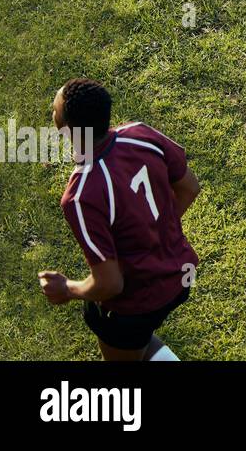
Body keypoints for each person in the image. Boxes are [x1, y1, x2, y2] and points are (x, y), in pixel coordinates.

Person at [38, 78, 199, 360]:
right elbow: (189, 187)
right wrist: (158, 229)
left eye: (54, 110)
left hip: (136, 302)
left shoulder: (81, 196)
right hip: (181, 273)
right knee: (140, 339)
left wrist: (68, 289)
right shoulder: (141, 134)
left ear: (66, 130)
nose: (51, 112)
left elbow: (110, 284)